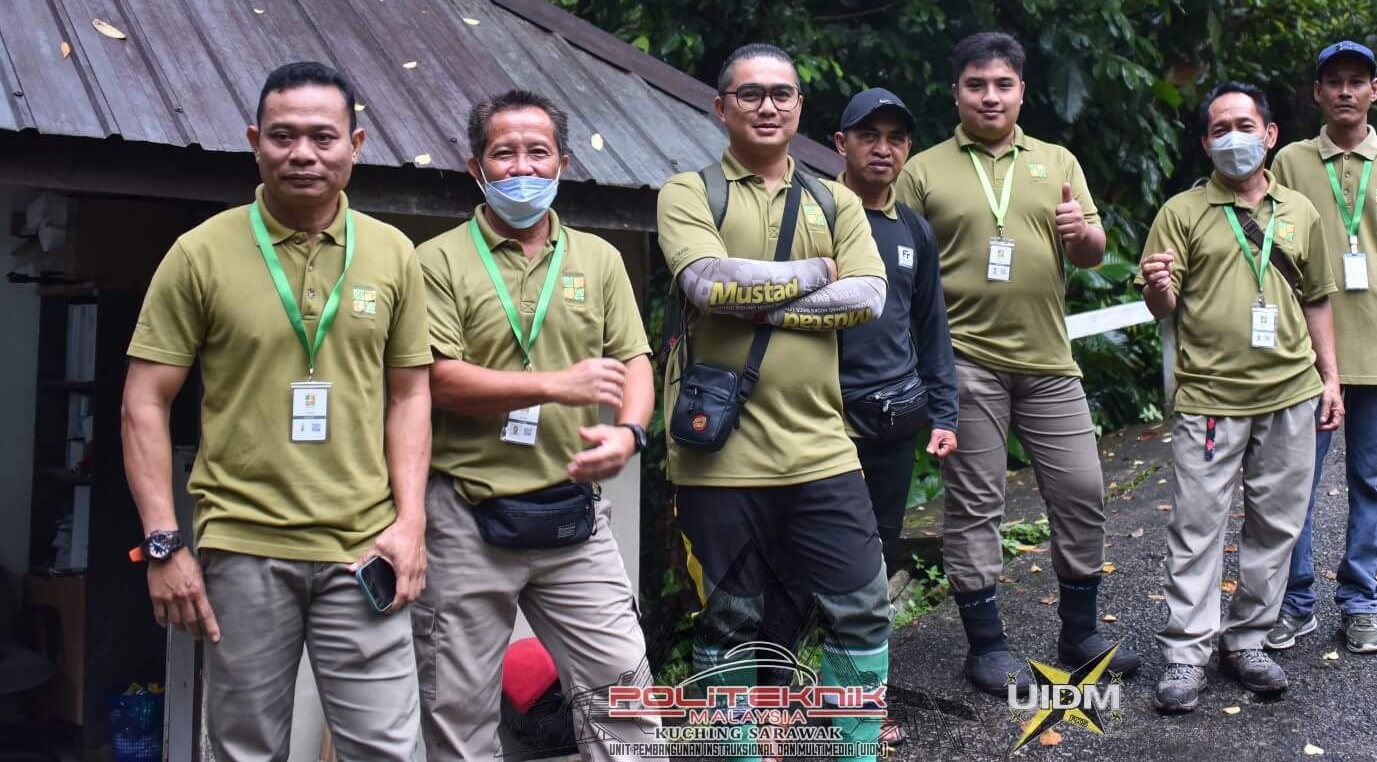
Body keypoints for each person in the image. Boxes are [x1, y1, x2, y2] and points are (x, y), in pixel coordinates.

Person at [122, 61, 432, 760]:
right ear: (254, 141)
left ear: (355, 143)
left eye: (323, 137)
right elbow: (145, 400)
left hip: (365, 549)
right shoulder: (199, 253)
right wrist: (163, 542)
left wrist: (411, 523)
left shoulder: (392, 254)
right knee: (244, 749)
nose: (303, 154)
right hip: (243, 546)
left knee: (387, 749)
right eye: (284, 136)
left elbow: (411, 394)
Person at [412, 90, 664, 761]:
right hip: (466, 516)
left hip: (573, 517)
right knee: (457, 714)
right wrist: (554, 384)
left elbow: (635, 361)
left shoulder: (598, 259)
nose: (522, 166)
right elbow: (437, 378)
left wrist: (630, 433)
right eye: (505, 153)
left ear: (563, 162)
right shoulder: (436, 261)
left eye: (537, 151)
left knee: (625, 694)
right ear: (476, 166)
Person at [656, 43, 890, 756]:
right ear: (720, 105)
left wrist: (758, 303)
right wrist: (816, 272)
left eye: (782, 94)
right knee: (729, 621)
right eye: (750, 93)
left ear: (798, 107)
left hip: (822, 449)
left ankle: (856, 751)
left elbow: (870, 295)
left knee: (862, 610)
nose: (767, 105)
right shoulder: (689, 193)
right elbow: (705, 284)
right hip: (718, 456)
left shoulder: (835, 198)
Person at [895, 31, 1139, 694]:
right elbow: (903, 267)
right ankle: (987, 646)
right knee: (976, 504)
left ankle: (1080, 633)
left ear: (1022, 91)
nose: (990, 96)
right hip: (963, 362)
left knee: (1083, 490)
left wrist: (1083, 234)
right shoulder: (924, 169)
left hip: (1049, 360)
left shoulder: (1055, 159)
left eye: (1002, 84)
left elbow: (1091, 251)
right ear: (956, 92)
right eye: (976, 85)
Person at [1136, 81, 1345, 713]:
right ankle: (1186, 653)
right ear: (1205, 142)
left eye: (1245, 125)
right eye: (1220, 128)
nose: (1235, 138)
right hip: (1210, 397)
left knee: (1276, 525)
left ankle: (1249, 638)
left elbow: (1316, 298)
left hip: (1291, 392)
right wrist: (1157, 287)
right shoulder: (1181, 211)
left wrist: (1331, 377)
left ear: (1270, 133)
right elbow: (1163, 307)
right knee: (1197, 527)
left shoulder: (1301, 212)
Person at [1266, 42, 1377, 656]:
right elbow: (1272, 250)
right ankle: (1297, 601)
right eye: (1332, 81)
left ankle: (1361, 601)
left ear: (1375, 90)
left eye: (1356, 81)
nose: (1344, 91)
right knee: (1296, 485)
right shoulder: (1287, 162)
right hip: (1308, 356)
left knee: (1373, 480)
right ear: (1316, 93)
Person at [832, 88, 959, 748]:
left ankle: (860, 708)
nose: (883, 148)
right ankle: (781, 700)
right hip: (820, 426)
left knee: (873, 564)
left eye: (896, 137)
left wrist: (945, 409)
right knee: (805, 565)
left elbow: (929, 327)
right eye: (869, 135)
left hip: (892, 425)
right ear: (841, 143)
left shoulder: (913, 229)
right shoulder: (817, 216)